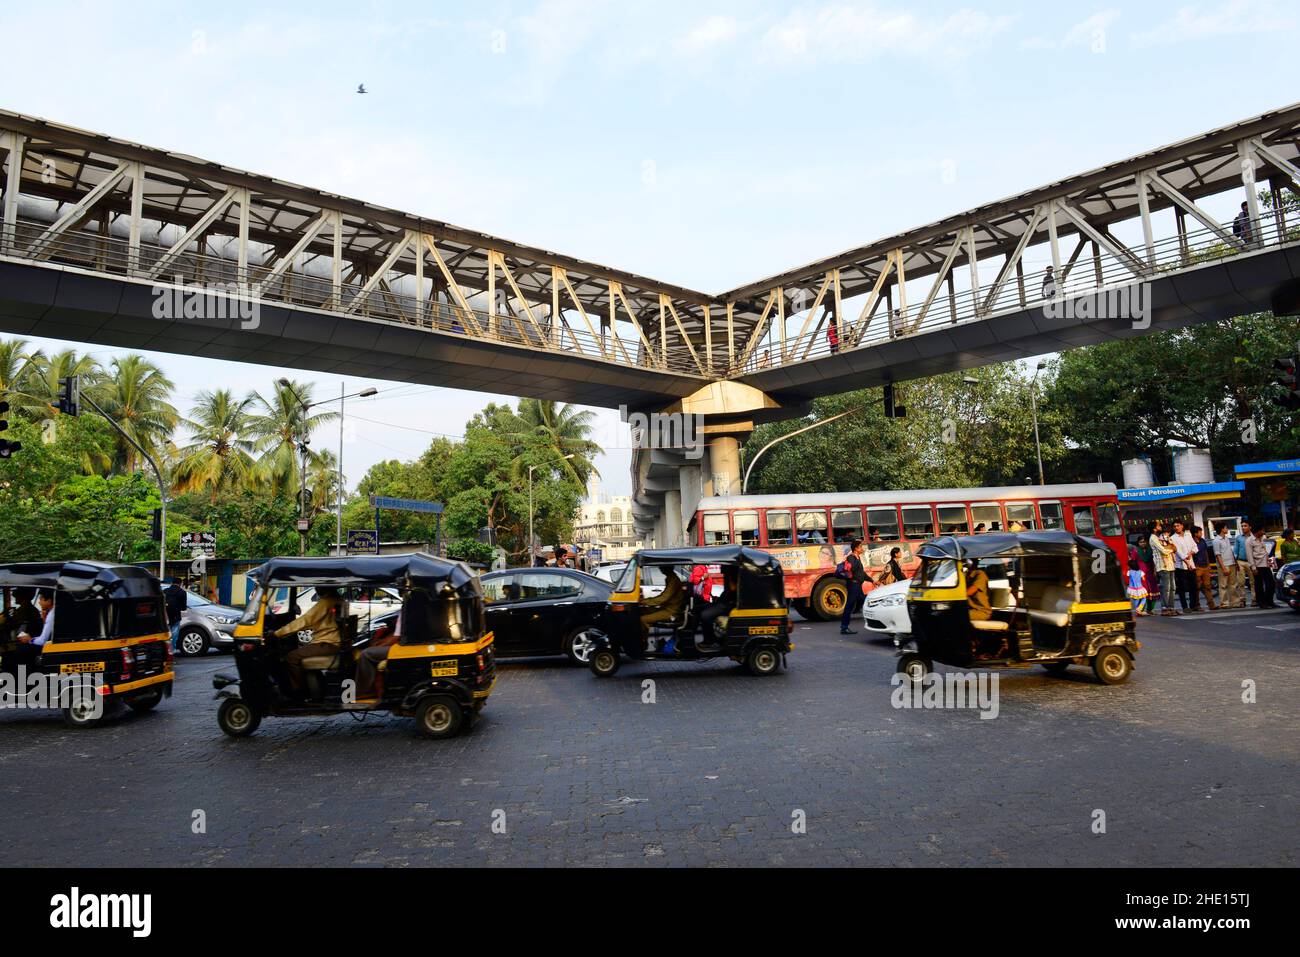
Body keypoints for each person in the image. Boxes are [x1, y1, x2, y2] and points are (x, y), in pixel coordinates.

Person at [274, 586, 343, 696]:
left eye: (317, 587)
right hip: (335, 641)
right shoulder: (338, 599)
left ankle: (299, 692)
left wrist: (277, 633)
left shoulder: (325, 602)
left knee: (291, 657)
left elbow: (306, 620)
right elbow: (315, 622)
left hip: (328, 643)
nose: (316, 589)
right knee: (301, 650)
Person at [2, 587, 46, 672]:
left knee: (7, 658)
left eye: (16, 595)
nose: (14, 597)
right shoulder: (31, 610)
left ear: (22, 597)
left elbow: (17, 629)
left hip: (23, 646)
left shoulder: (24, 611)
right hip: (26, 645)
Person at [638, 569, 686, 645]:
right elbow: (663, 597)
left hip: (671, 612)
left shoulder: (673, 579)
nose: (660, 568)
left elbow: (663, 598)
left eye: (661, 567)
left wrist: (644, 601)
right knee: (641, 611)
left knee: (643, 619)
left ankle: (642, 642)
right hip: (665, 608)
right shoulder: (670, 578)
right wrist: (645, 602)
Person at [698, 567, 737, 652]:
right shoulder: (729, 578)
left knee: (705, 615)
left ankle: (710, 641)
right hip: (722, 603)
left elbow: (733, 588)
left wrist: (729, 578)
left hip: (729, 605)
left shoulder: (735, 576)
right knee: (699, 608)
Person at [839, 539, 873, 636]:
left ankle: (845, 627)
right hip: (853, 585)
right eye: (861, 547)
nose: (862, 549)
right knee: (850, 605)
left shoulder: (857, 558)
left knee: (865, 601)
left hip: (858, 585)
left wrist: (872, 580)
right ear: (856, 548)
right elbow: (852, 569)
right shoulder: (851, 557)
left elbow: (861, 573)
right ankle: (844, 627)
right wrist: (853, 559)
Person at [1170, 521, 1199, 612]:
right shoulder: (1172, 538)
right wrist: (1187, 563)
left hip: (1191, 563)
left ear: (1182, 526)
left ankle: (1193, 605)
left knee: (1193, 586)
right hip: (1181, 566)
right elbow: (1178, 552)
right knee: (1182, 588)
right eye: (1174, 526)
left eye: (1178, 525)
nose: (1176, 527)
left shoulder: (1188, 535)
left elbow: (1195, 547)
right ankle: (1185, 607)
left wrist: (1191, 552)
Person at [1150, 524, 1178, 616]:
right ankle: (1164, 608)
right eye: (1158, 526)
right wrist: (1170, 548)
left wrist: (1170, 547)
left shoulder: (1163, 538)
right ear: (1154, 529)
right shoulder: (1154, 538)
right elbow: (1164, 550)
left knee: (1172, 588)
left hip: (1170, 565)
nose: (1161, 528)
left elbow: (1175, 548)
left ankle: (1171, 607)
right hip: (1162, 565)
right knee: (1166, 588)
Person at [1212, 525, 1241, 609]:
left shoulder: (1226, 538)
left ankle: (1235, 602)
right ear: (1222, 529)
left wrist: (1235, 562)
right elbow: (1218, 555)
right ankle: (1224, 603)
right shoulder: (1216, 541)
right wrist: (1223, 567)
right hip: (1224, 565)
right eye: (1226, 528)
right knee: (1223, 585)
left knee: (1233, 584)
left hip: (1231, 563)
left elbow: (1230, 552)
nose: (1227, 529)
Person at [1191, 526, 1217, 611]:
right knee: (1197, 587)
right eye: (1200, 532)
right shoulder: (1191, 542)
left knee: (1207, 586)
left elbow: (1206, 552)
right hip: (1197, 566)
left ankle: (1211, 605)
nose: (1201, 534)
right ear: (1195, 534)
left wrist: (1208, 564)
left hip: (1205, 566)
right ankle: (1196, 605)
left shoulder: (1202, 541)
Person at [1249, 529, 1277, 608]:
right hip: (1258, 565)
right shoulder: (1249, 540)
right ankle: (1262, 603)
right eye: (1261, 530)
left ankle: (1269, 601)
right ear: (1257, 531)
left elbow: (1265, 551)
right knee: (1259, 585)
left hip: (1266, 564)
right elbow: (1249, 555)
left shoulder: (1261, 539)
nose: (1263, 532)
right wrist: (1253, 568)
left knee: (1271, 583)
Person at [162, 577, 188, 651]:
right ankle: (172, 650)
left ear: (171, 583)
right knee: (174, 635)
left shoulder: (165, 591)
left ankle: (165, 650)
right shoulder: (182, 592)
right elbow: (184, 608)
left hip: (166, 616)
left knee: (167, 634)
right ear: (180, 584)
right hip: (176, 616)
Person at [1233, 522, 1254, 606]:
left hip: (1251, 561)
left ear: (1250, 527)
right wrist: (1236, 563)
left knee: (1253, 582)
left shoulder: (1253, 537)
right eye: (1242, 526)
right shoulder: (1238, 538)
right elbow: (1235, 551)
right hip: (1240, 561)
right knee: (1241, 582)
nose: (1243, 527)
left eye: (1245, 526)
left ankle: (1254, 599)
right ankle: (1242, 600)